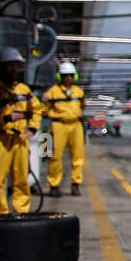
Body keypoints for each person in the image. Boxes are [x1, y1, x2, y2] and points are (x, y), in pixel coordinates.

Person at [0, 46, 43, 214]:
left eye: (16, 65)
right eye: (10, 65)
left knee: (21, 179)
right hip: (0, 139)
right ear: (0, 67)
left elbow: (37, 109)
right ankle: (0, 214)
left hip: (20, 140)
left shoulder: (23, 90)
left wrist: (32, 127)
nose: (14, 69)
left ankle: (21, 212)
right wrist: (4, 118)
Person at [42, 60, 85, 197]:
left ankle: (76, 185)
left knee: (78, 156)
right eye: (65, 75)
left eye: (71, 75)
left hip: (76, 125)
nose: (68, 78)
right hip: (57, 125)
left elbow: (82, 106)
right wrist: (55, 115)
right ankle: (54, 185)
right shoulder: (51, 93)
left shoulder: (79, 92)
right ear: (60, 76)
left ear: (74, 77)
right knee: (54, 156)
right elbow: (43, 109)